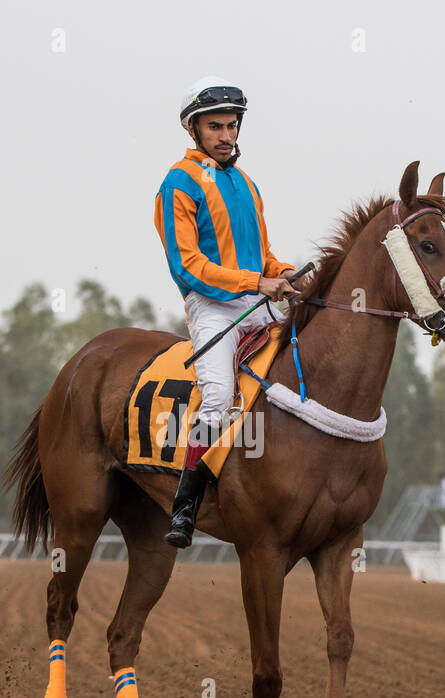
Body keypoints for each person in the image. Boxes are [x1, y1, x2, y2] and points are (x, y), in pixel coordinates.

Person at [154, 76, 310, 548]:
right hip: (212, 308)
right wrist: (256, 283)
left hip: (255, 300)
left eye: (232, 126)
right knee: (219, 398)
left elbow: (260, 254)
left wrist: (286, 274)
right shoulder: (177, 183)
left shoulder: (245, 183)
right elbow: (188, 266)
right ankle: (185, 507)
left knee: (298, 371)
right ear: (194, 131)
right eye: (215, 127)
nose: (226, 135)